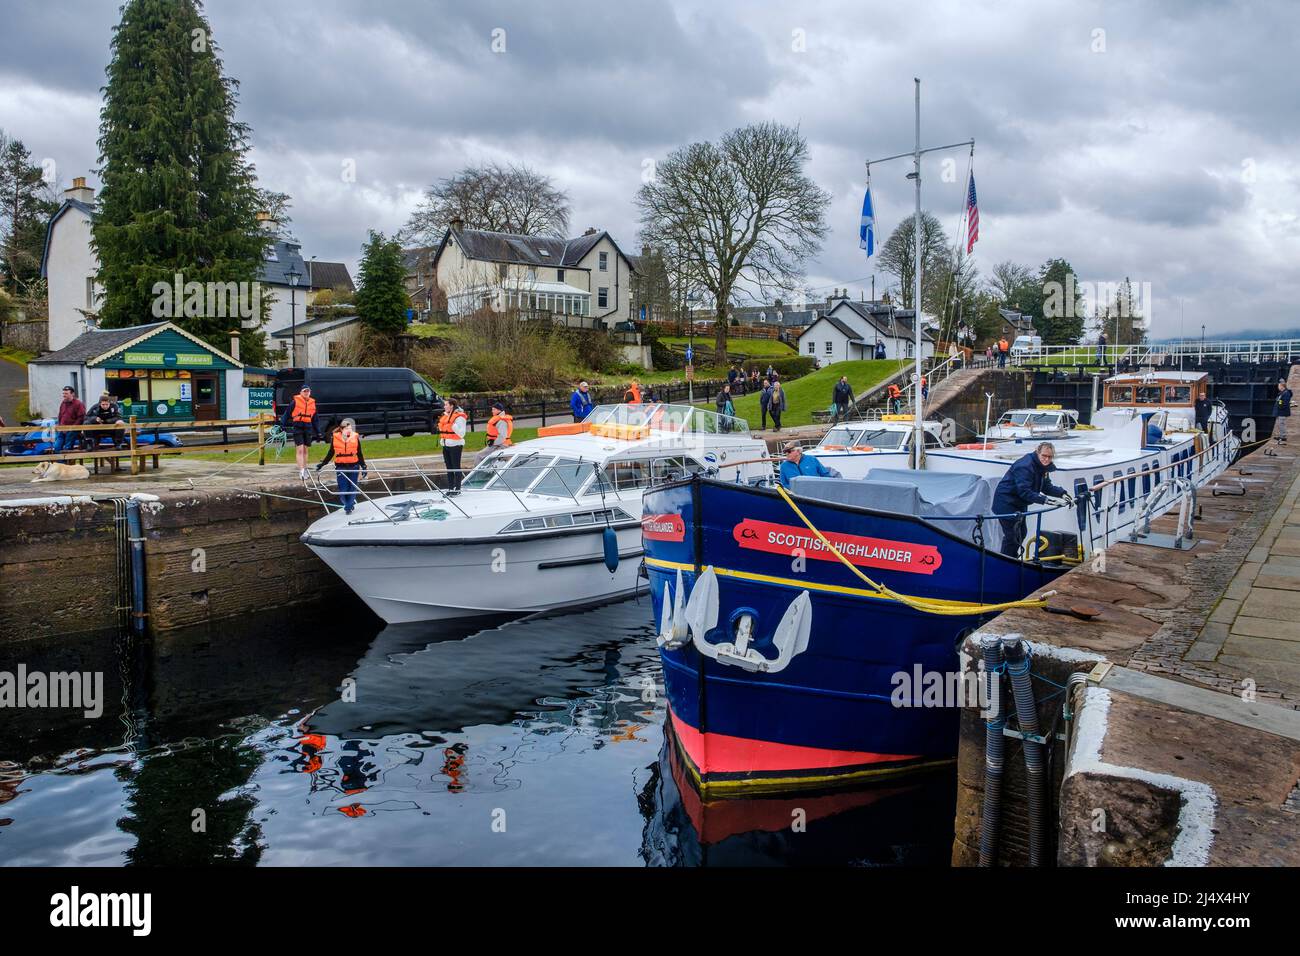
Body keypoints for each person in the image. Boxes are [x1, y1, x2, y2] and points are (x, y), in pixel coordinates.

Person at [992, 442, 1069, 559]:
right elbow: (1024, 491)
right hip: (1006, 502)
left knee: (1022, 533)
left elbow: (1046, 486)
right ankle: (1006, 561)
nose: (1047, 460)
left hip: (1019, 503)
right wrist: (1046, 500)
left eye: (1050, 457)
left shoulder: (1041, 467)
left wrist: (1062, 494)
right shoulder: (1025, 466)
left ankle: (1012, 558)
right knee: (1012, 535)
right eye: (1044, 456)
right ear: (1037, 453)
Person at [316, 417, 367, 515]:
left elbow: (359, 453)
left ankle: (348, 507)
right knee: (343, 490)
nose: (349, 431)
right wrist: (322, 464)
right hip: (341, 467)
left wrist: (364, 466)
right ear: (342, 429)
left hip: (354, 466)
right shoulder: (335, 438)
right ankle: (348, 505)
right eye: (347, 429)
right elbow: (331, 453)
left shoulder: (355, 437)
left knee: (352, 488)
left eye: (350, 429)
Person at [281, 384, 318, 479]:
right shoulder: (294, 402)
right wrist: (281, 425)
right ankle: (301, 470)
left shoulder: (312, 403)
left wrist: (318, 431)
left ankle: (305, 469)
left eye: (308, 391)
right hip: (298, 427)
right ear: (301, 392)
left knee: (305, 450)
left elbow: (315, 419)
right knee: (300, 449)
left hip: (308, 428)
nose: (306, 393)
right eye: (304, 391)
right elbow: (286, 414)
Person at [438, 397, 467, 491]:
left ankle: (457, 489)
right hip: (446, 445)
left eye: (446, 404)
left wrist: (452, 424)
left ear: (452, 406)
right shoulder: (446, 416)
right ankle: (450, 488)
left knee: (456, 467)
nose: (444, 406)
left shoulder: (459, 417)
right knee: (449, 468)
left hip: (456, 445)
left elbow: (462, 433)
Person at [54, 386, 85, 453]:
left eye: (66, 393)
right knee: (56, 447)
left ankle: (65, 463)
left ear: (72, 394)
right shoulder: (63, 403)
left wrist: (71, 428)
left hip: (73, 430)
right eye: (63, 393)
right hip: (62, 429)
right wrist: (60, 426)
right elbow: (60, 416)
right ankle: (60, 463)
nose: (64, 395)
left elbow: (81, 418)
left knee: (67, 448)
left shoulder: (78, 404)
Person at [1277, 379, 1294, 444]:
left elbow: (1285, 403)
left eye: (1279, 386)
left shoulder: (1286, 393)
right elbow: (1280, 401)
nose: (1278, 387)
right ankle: (1281, 436)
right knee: (1280, 424)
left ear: (1282, 386)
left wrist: (1280, 406)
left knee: (1282, 424)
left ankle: (1283, 437)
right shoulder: (1283, 393)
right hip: (1281, 411)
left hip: (1283, 412)